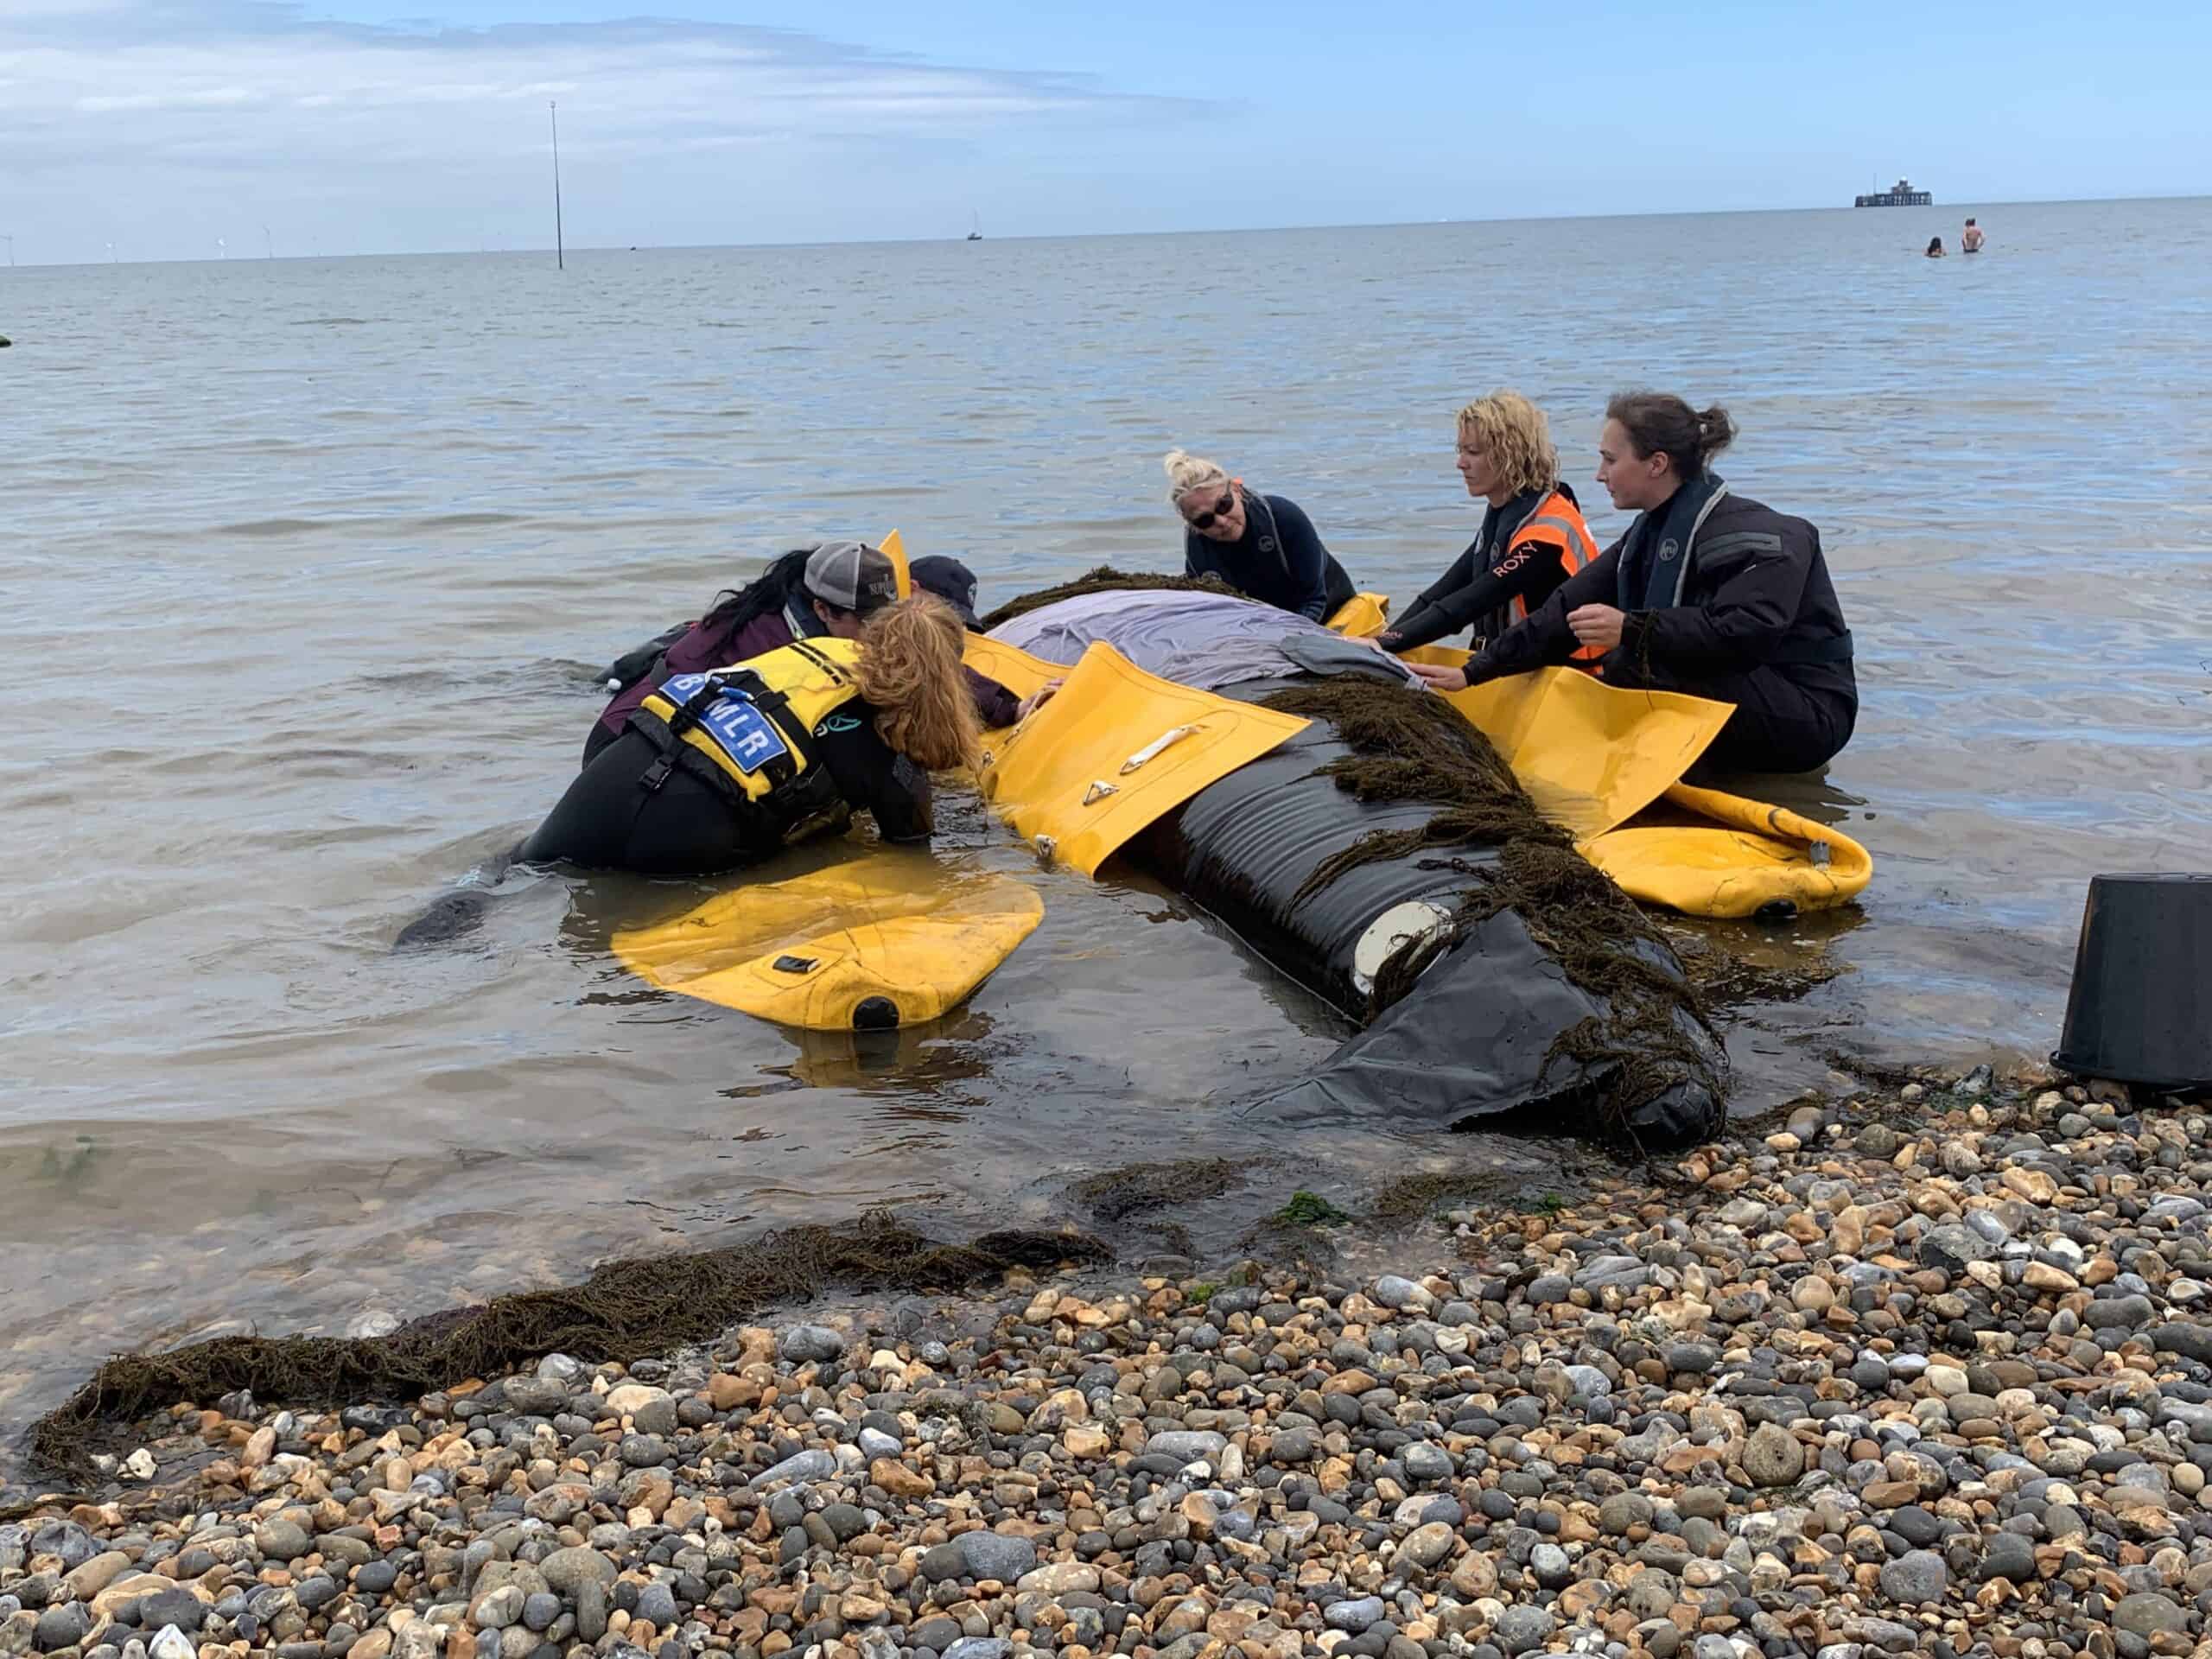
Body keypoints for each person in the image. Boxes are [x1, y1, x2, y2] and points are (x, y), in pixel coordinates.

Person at [1408, 392, 1856, 775]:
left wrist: (1632, 628)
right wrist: (1471, 674)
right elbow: (1560, 613)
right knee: (1627, 662)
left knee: (1632, 661)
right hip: (1745, 693)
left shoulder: (1760, 537)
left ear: (1656, 464)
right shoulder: (1645, 534)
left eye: (1609, 459)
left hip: (1812, 716)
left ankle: (1676, 789)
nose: (1599, 475)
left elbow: (1746, 633)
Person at [523, 594, 981, 875]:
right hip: (685, 831)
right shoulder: (883, 742)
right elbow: (911, 845)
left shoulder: (813, 650)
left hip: (608, 780)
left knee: (520, 872)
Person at [588, 542, 1026, 766]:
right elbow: (902, 675)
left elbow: (914, 661)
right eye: (867, 623)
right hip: (625, 742)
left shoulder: (807, 609)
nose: (877, 635)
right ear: (823, 610)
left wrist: (1010, 704)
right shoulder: (779, 644)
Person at [1372, 391, 1602, 660]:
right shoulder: (1506, 516)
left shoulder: (1546, 534)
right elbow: (1443, 592)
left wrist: (1383, 645)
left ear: (1511, 456)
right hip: (1510, 664)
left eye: (1473, 452)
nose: (1461, 463)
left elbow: (1472, 601)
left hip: (1574, 677)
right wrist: (1386, 639)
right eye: (1461, 451)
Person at [1166, 450, 1356, 622]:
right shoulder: (1195, 549)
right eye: (1204, 521)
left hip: (1328, 611)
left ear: (1236, 490)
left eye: (1224, 505)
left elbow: (1314, 600)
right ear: (1191, 523)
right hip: (1260, 624)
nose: (1221, 522)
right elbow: (1209, 613)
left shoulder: (1282, 517)